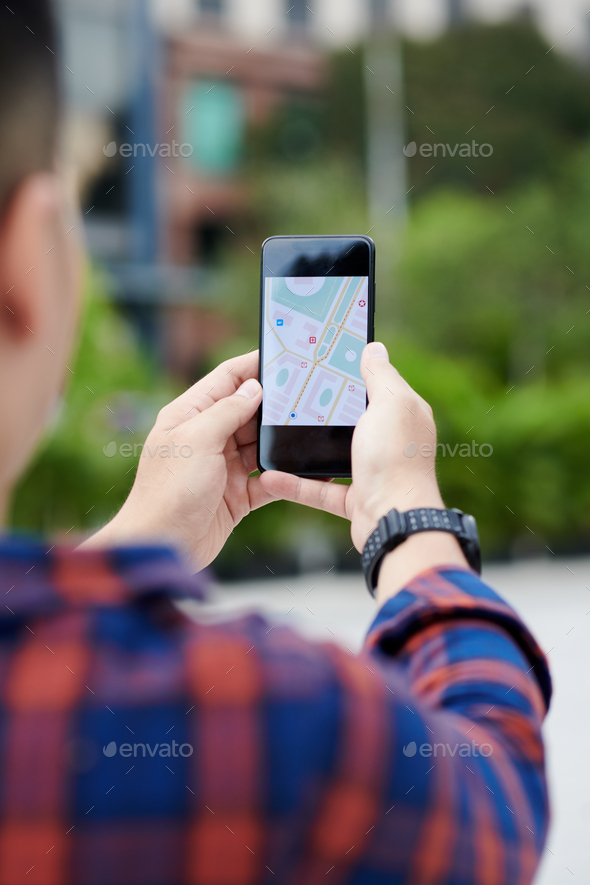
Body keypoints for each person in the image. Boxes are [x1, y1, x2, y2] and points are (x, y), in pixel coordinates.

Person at [0, 2, 550, 884]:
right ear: (27, 261)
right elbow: (497, 805)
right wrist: (409, 523)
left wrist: (136, 548)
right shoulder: (270, 719)